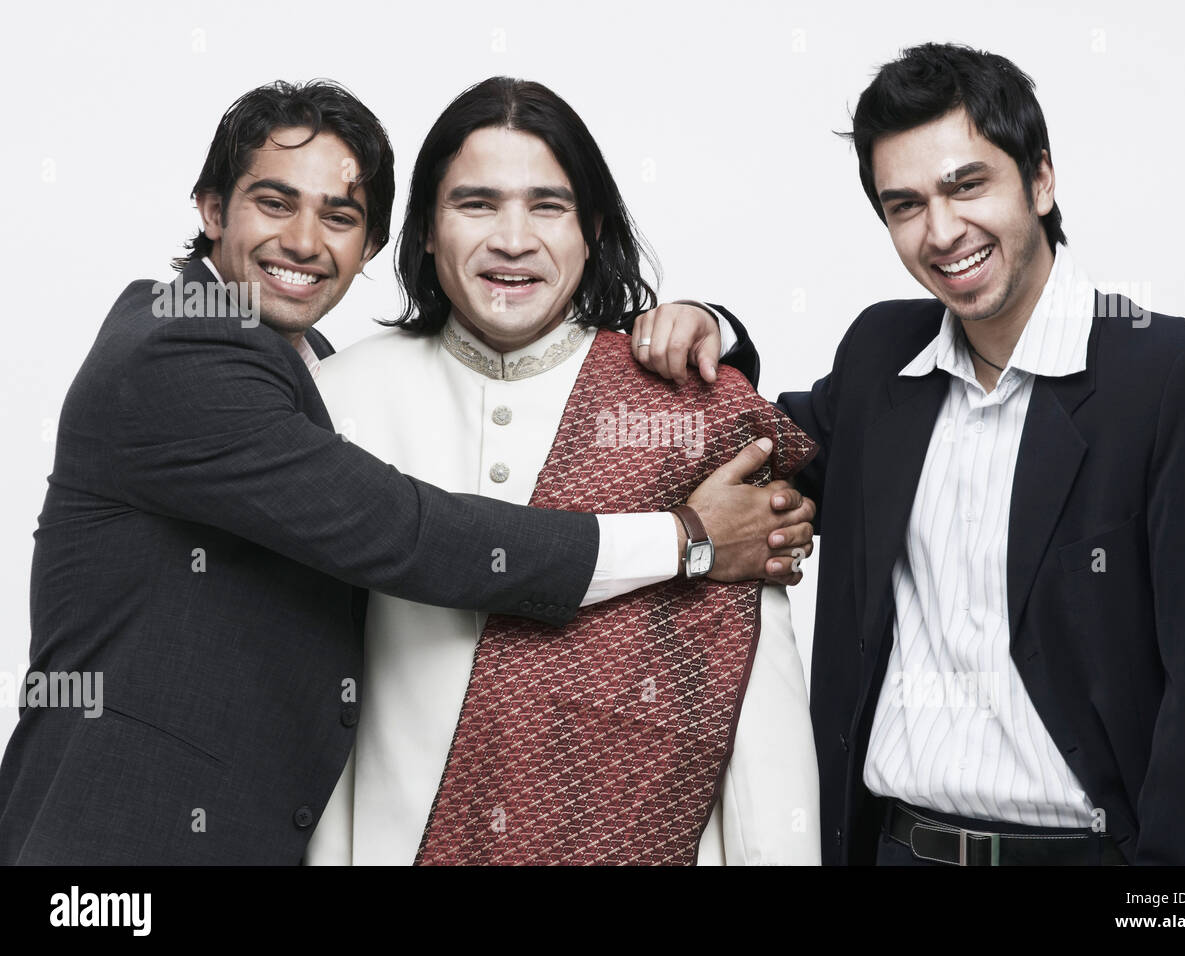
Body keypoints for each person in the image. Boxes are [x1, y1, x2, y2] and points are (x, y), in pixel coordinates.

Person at [0, 79, 815, 865]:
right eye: (275, 201)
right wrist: (688, 540)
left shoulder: (311, 365)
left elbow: (762, 720)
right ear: (212, 210)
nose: (304, 242)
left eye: (340, 215)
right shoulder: (188, 353)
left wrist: (713, 332)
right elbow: (408, 535)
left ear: (373, 244)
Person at [691, 43, 1185, 865]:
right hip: (900, 849)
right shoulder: (882, 358)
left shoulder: (1175, 379)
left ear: (1040, 180)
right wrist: (709, 325)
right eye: (904, 205)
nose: (941, 232)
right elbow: (755, 453)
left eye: (966, 185)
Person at [304, 77, 822, 866]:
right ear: (429, 231)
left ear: (592, 230)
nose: (513, 240)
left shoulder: (684, 408)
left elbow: (762, 723)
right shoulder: (338, 399)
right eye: (476, 204)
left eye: (547, 206)